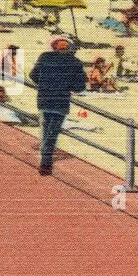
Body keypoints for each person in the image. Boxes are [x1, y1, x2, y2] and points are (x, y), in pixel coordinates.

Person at [28, 36, 87, 176]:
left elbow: (33, 75)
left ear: (54, 47)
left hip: (45, 98)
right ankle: (45, 162)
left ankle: (45, 157)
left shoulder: (45, 57)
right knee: (52, 132)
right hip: (61, 100)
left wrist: (46, 84)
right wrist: (67, 85)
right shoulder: (76, 62)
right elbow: (80, 87)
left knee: (45, 129)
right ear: (70, 48)